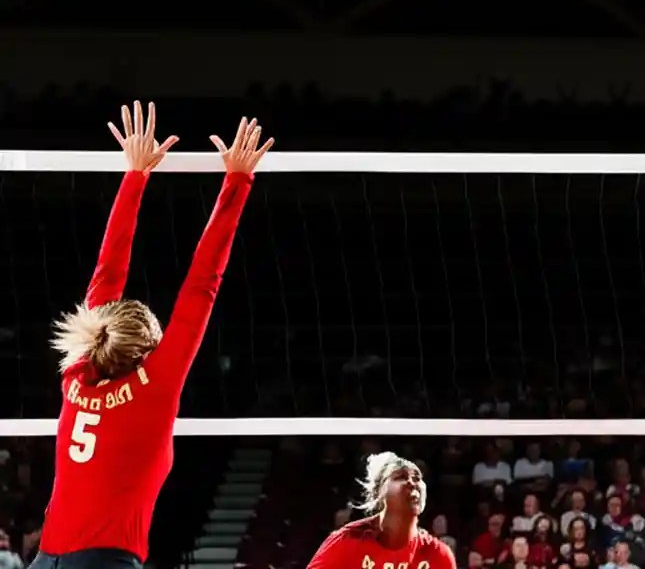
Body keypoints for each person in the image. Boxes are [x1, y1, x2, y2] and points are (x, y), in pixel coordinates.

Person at [35, 104, 273, 569]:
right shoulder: (153, 384)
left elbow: (108, 276)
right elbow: (202, 283)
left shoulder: (77, 373)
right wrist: (237, 181)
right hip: (104, 561)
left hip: (47, 557)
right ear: (147, 351)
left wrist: (136, 174)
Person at [308, 451, 458, 569]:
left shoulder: (438, 553)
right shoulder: (346, 540)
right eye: (401, 477)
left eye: (417, 478)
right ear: (378, 492)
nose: (412, 483)